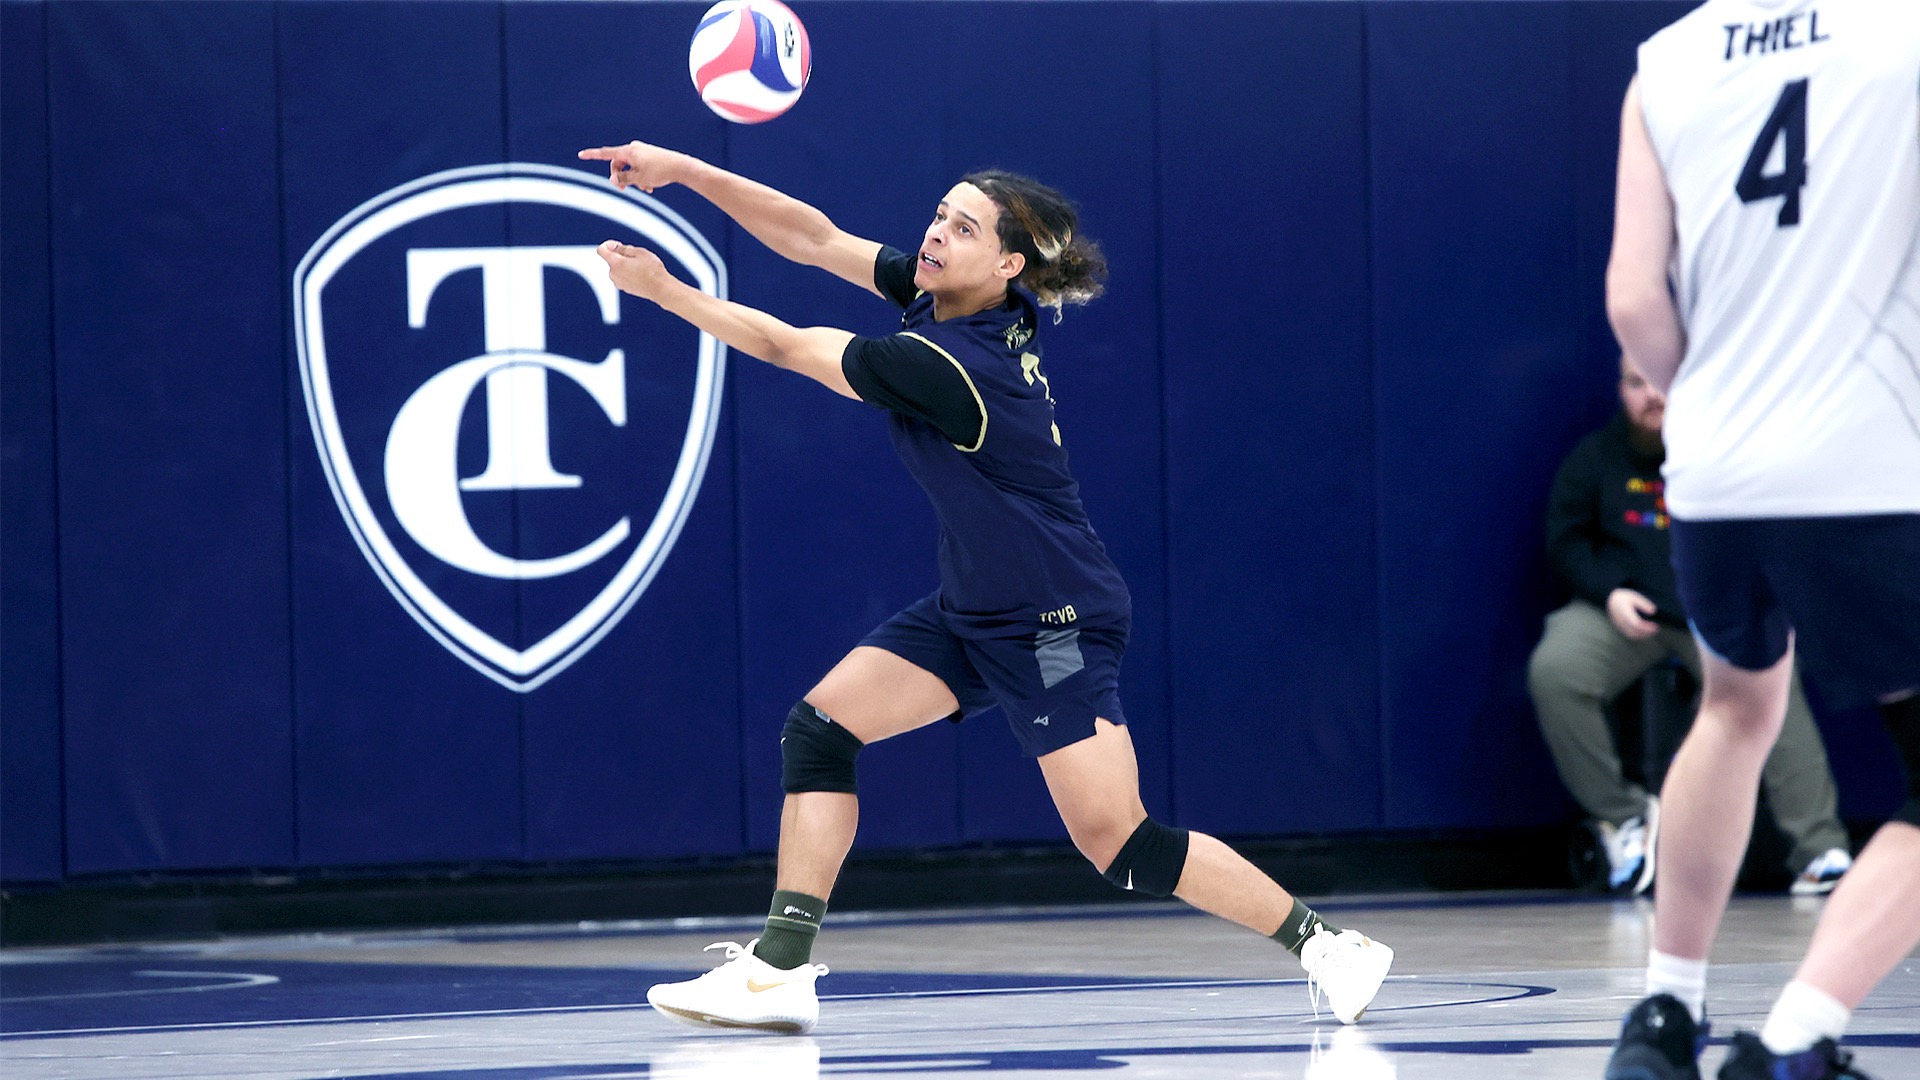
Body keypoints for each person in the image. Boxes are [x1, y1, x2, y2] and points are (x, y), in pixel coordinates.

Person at [575, 139, 1396, 1035]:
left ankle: (1330, 947)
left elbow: (781, 342)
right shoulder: (963, 301)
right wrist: (685, 170)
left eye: (961, 228)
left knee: (1120, 843)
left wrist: (666, 294)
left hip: (1053, 617)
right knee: (821, 731)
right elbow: (812, 237)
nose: (934, 235)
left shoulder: (948, 366)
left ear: (1007, 263)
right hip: (977, 605)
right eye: (938, 216)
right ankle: (777, 971)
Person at [1601, 2, 1920, 1078]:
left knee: (1737, 709)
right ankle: (1795, 1040)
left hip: (1716, 466)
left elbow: (1635, 296)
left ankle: (1662, 1018)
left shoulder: (1668, 61)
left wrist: (1722, 402)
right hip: (1870, 456)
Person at [1529, 357, 1851, 897]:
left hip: (1711, 614)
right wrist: (1609, 592)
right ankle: (1625, 817)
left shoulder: (1720, 454)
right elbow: (1565, 541)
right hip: (1626, 617)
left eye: (1660, 382)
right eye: (1636, 383)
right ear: (1620, 391)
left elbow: (1763, 532)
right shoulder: (1595, 460)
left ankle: (1818, 849)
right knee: (1555, 668)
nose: (1651, 396)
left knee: (1772, 671)